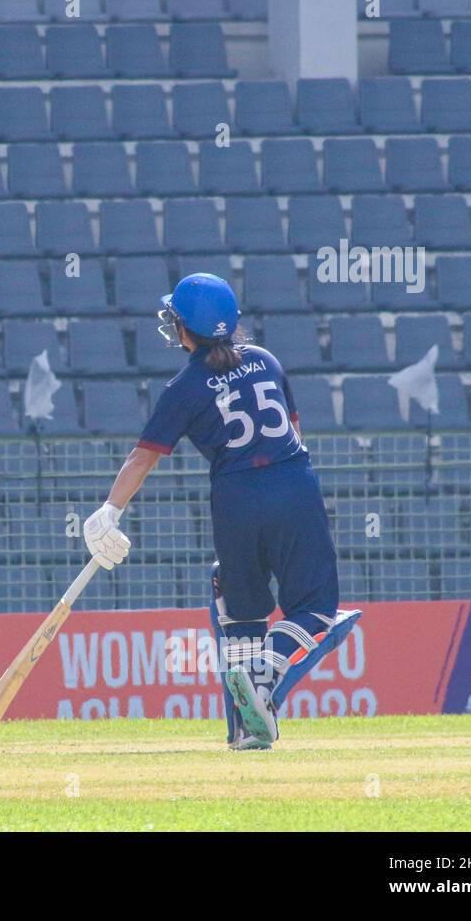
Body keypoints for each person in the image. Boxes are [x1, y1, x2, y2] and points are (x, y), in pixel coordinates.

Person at [82, 273, 340, 749]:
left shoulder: (184, 386)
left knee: (239, 604)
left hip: (235, 497)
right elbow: (294, 429)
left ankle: (246, 723)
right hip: (292, 481)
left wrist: (108, 511)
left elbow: (144, 456)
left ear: (183, 330)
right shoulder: (264, 360)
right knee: (316, 610)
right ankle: (266, 679)